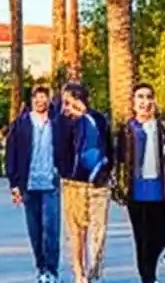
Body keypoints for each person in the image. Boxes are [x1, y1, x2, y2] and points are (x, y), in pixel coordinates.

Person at [5, 86, 75, 283]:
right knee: (35, 230)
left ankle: (52, 270)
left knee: (51, 229)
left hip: (51, 184)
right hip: (29, 184)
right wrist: (14, 184)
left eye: (44, 98)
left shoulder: (57, 123)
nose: (40, 102)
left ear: (49, 101)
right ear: (32, 100)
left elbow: (69, 147)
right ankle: (41, 267)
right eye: (37, 98)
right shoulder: (20, 124)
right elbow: (12, 155)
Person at [114, 83, 165, 283]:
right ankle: (148, 277)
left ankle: (148, 274)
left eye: (148, 97)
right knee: (142, 239)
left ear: (154, 101)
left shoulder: (164, 130)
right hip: (136, 192)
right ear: (133, 103)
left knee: (160, 239)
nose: (145, 102)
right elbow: (118, 160)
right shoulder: (127, 130)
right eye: (140, 97)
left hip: (159, 192)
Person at [60, 82, 114, 283]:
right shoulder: (64, 122)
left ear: (78, 100)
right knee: (75, 231)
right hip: (73, 183)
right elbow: (60, 145)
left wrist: (108, 171)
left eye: (67, 101)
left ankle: (94, 272)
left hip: (98, 184)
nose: (64, 106)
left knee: (98, 230)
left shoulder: (97, 119)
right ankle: (79, 272)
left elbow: (107, 144)